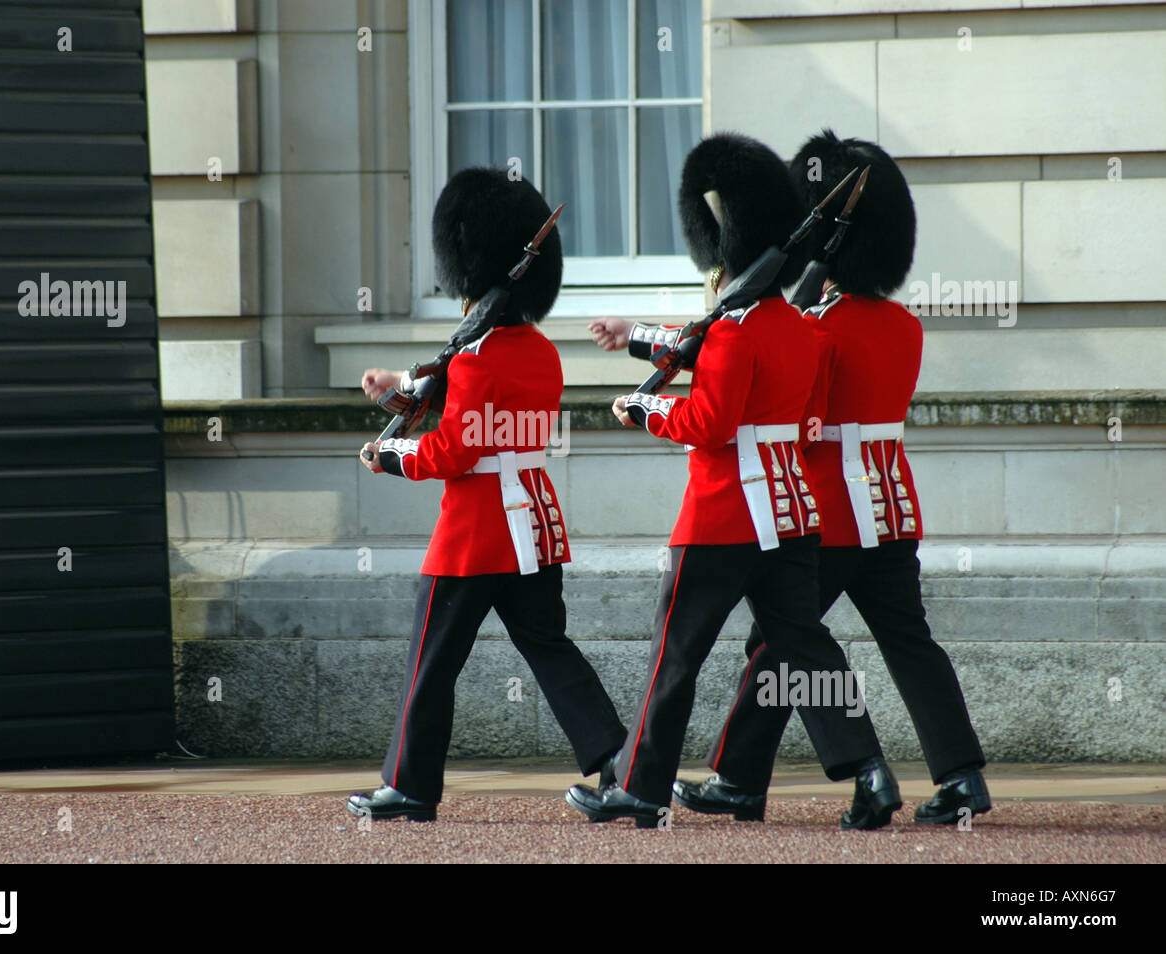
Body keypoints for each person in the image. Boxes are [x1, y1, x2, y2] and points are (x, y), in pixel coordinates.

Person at [567, 132, 901, 831]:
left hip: (722, 519)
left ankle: (639, 788)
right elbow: (712, 347)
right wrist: (637, 335)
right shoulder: (794, 327)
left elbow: (711, 417)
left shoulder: (735, 331)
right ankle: (868, 769)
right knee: (807, 651)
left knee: (675, 657)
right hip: (790, 518)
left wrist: (644, 407)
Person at [671, 130, 990, 825]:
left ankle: (775, 778)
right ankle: (962, 776)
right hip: (891, 507)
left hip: (827, 513)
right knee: (910, 642)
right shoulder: (902, 326)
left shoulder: (816, 326)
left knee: (779, 643)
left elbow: (779, 405)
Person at [348, 168, 626, 822]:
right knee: (554, 654)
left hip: (473, 538)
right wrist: (398, 393)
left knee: (430, 663)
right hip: (533, 529)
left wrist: (388, 455)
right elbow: (470, 411)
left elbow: (453, 450)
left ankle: (412, 787)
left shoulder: (475, 359)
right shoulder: (540, 354)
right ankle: (618, 765)